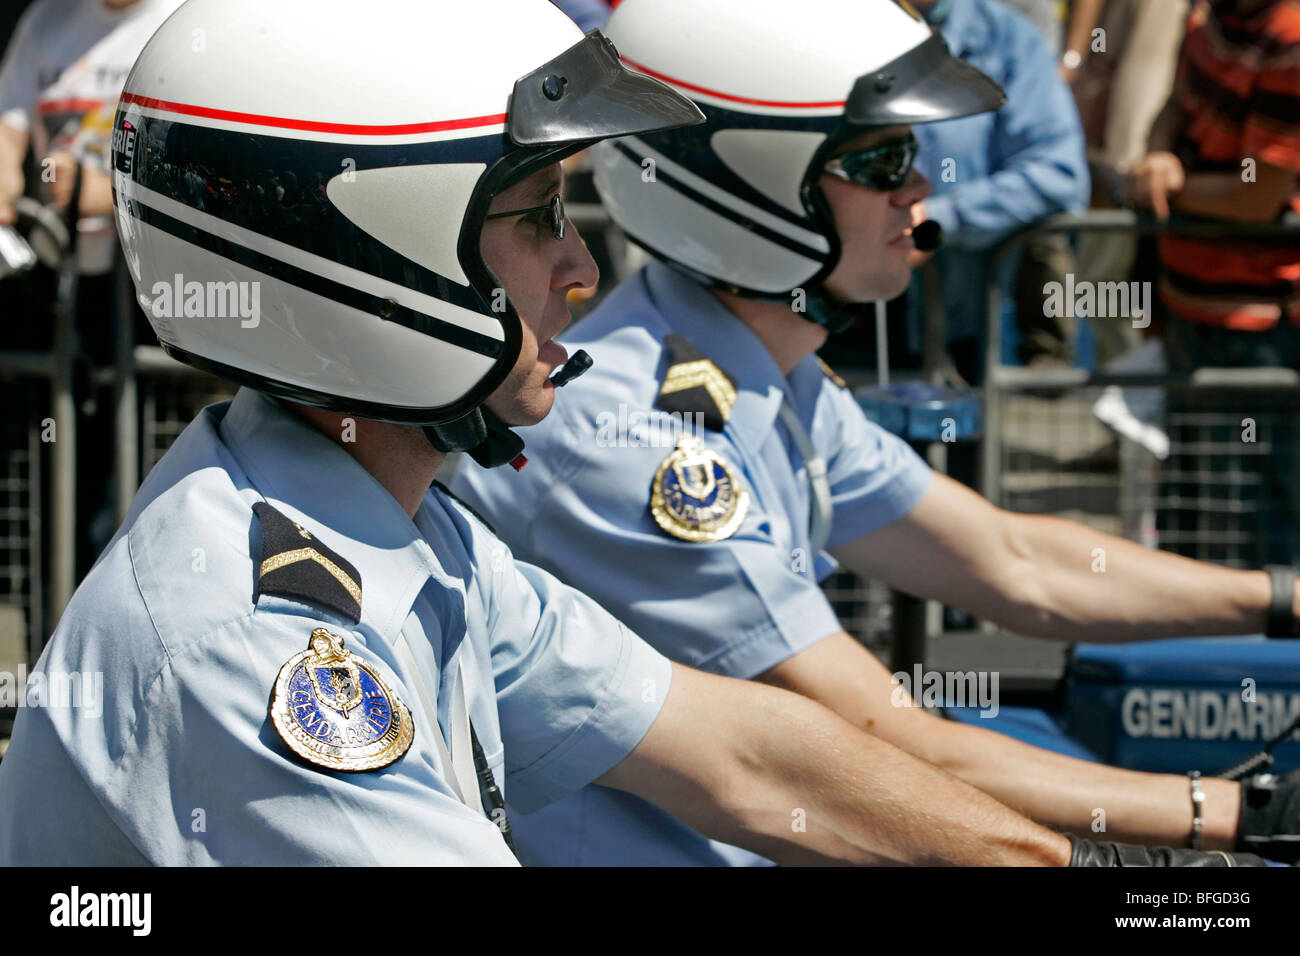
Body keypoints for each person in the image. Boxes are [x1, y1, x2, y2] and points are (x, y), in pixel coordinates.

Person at [0, 0, 1219, 869]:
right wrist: (1214, 825)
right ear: (366, 255)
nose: (583, 267)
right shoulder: (259, 640)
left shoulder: (397, 524)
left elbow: (753, 755)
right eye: (537, 220)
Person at [451, 0, 1300, 866]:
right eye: (883, 159)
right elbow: (889, 740)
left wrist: (1281, 597)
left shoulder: (766, 372)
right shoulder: (634, 436)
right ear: (751, 182)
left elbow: (1011, 560)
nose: (922, 187)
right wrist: (1239, 814)